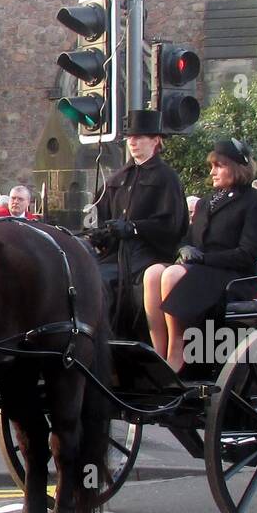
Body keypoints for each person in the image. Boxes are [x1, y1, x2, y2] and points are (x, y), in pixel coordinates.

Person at [148, 139, 257, 372]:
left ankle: (178, 350)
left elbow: (249, 254)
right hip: (201, 270)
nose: (212, 172)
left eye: (219, 166)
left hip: (233, 276)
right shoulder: (206, 202)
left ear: (236, 168)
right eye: (212, 166)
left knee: (172, 275)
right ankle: (158, 350)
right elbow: (189, 238)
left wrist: (202, 259)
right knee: (154, 273)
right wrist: (184, 249)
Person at [87, 109, 188, 355]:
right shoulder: (118, 177)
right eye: (130, 137)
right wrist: (101, 233)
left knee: (107, 282)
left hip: (148, 255)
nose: (133, 142)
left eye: (139, 137)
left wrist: (134, 228)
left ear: (155, 140)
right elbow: (100, 213)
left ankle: (115, 346)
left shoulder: (166, 178)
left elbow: (173, 225)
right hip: (116, 253)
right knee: (86, 274)